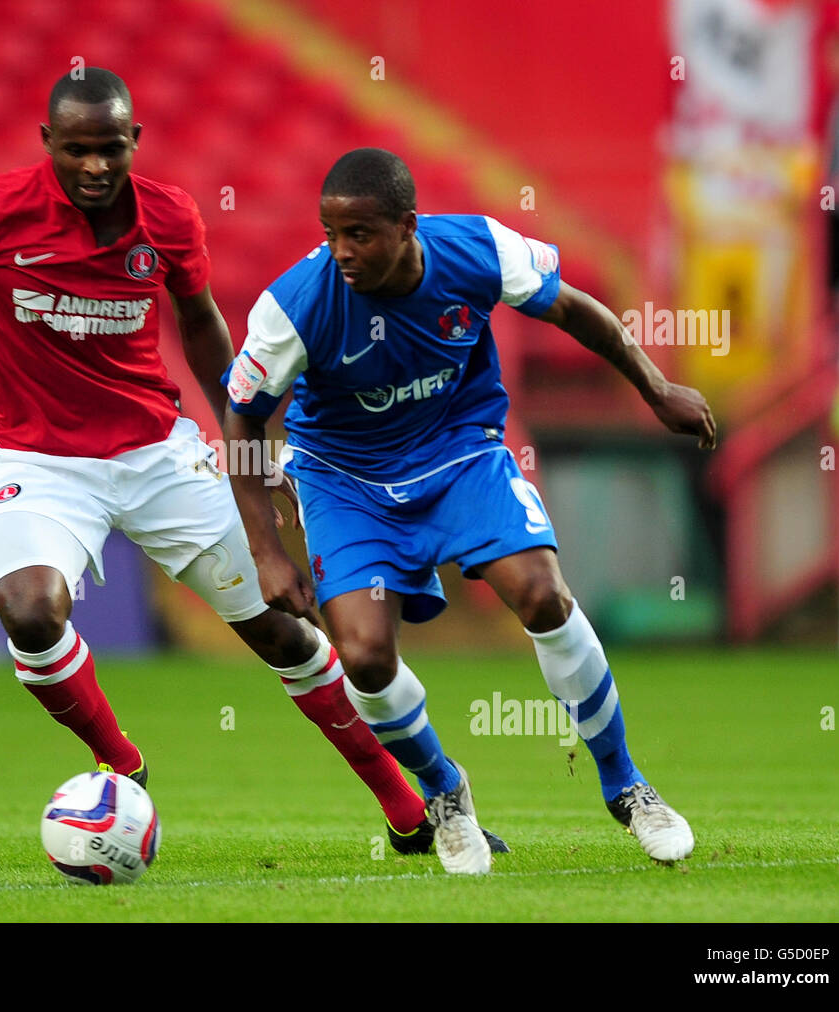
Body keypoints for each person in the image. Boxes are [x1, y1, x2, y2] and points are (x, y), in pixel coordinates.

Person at [0, 71, 479, 855]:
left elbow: (208, 331)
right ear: (48, 145)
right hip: (37, 462)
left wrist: (251, 453)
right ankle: (121, 765)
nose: (96, 167)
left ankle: (411, 813)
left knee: (286, 630)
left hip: (159, 453)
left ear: (134, 142)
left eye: (111, 149)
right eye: (77, 150)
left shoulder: (170, 217)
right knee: (31, 612)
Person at [223, 147, 717, 873]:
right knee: (361, 654)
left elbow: (575, 309)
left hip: (460, 455)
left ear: (408, 226)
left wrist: (654, 388)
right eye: (331, 234)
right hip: (345, 480)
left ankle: (627, 786)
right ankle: (447, 792)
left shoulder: (478, 249)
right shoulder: (295, 306)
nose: (342, 252)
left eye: (359, 233)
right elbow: (241, 419)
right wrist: (266, 550)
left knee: (544, 594)